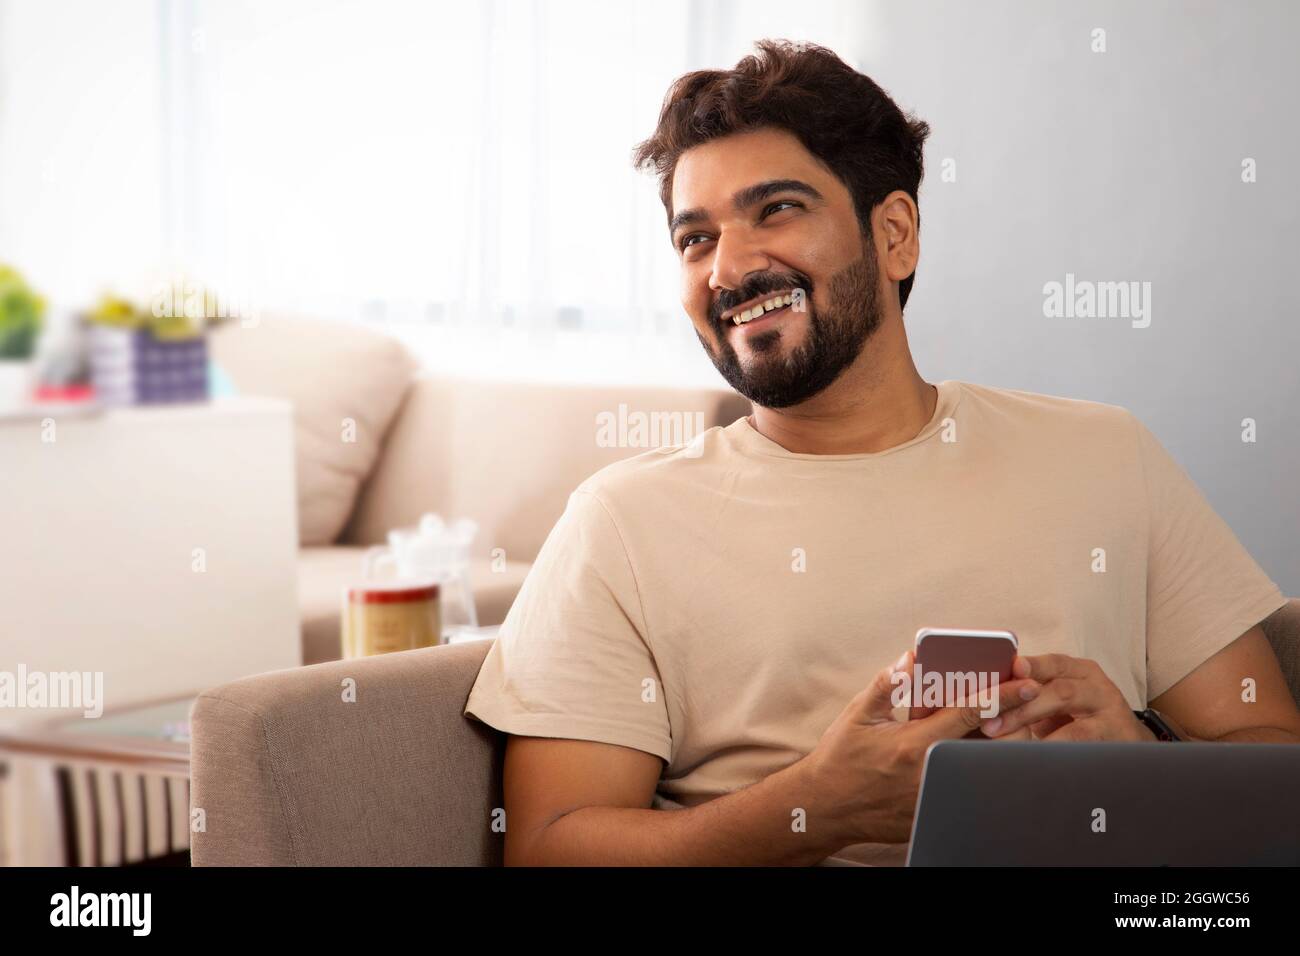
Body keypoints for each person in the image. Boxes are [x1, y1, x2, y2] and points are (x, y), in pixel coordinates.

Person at [463, 39, 1299, 866]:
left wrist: (1143, 762)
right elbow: (548, 847)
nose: (731, 266)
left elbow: (1269, 756)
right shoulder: (620, 524)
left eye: (777, 209)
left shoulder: (1107, 455)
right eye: (696, 238)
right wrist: (814, 809)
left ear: (894, 234)